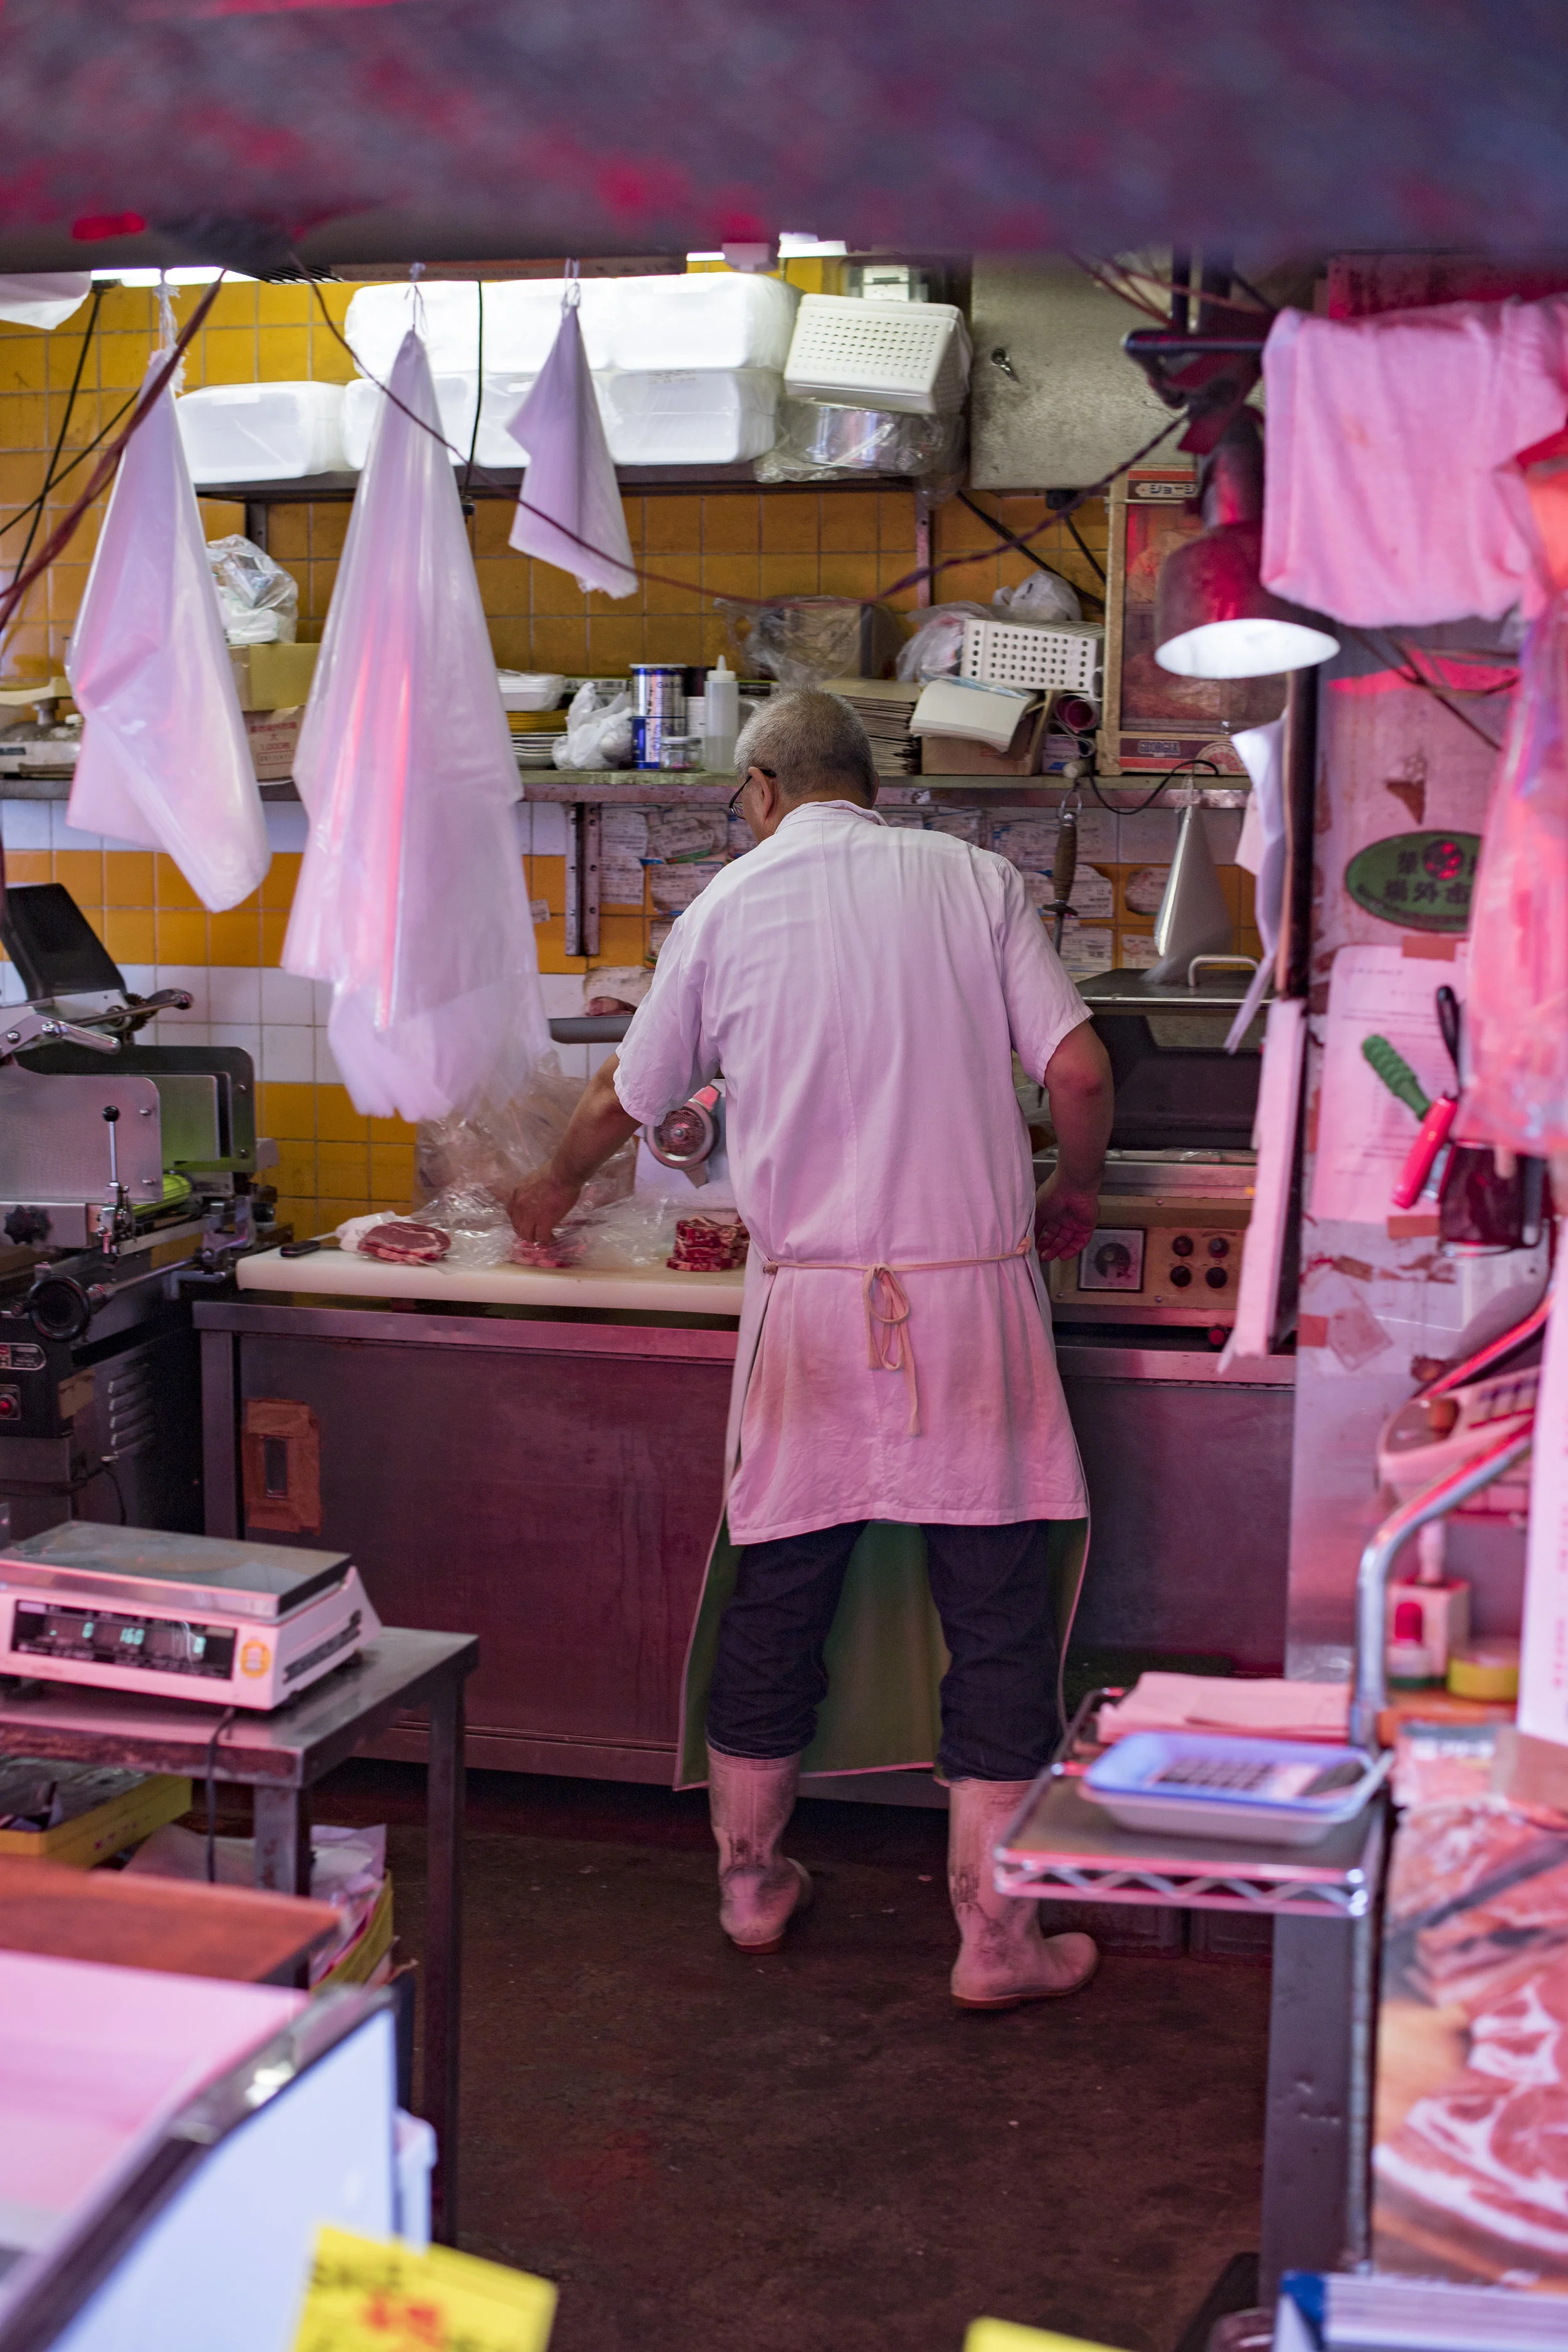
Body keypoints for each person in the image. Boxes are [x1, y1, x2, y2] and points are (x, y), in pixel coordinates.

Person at [509, 689, 1115, 2010]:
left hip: (812, 1310)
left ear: (762, 789)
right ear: (869, 788)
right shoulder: (971, 880)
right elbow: (1074, 1068)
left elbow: (629, 1093)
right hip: (969, 1304)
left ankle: (748, 1884)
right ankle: (993, 1939)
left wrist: (549, 1188)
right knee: (997, 1614)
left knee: (780, 1597)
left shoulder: (725, 905)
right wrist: (1071, 1186)